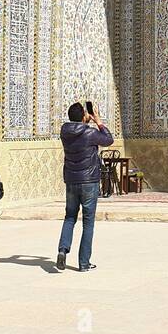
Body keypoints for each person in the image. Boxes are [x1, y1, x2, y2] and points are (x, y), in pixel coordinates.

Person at [57, 101, 113, 272]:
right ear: (84, 116)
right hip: (89, 182)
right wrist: (98, 120)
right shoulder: (90, 133)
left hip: (71, 180)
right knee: (88, 223)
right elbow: (108, 140)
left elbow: (78, 129)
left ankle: (62, 250)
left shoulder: (64, 132)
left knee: (69, 217)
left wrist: (85, 119)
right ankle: (84, 263)